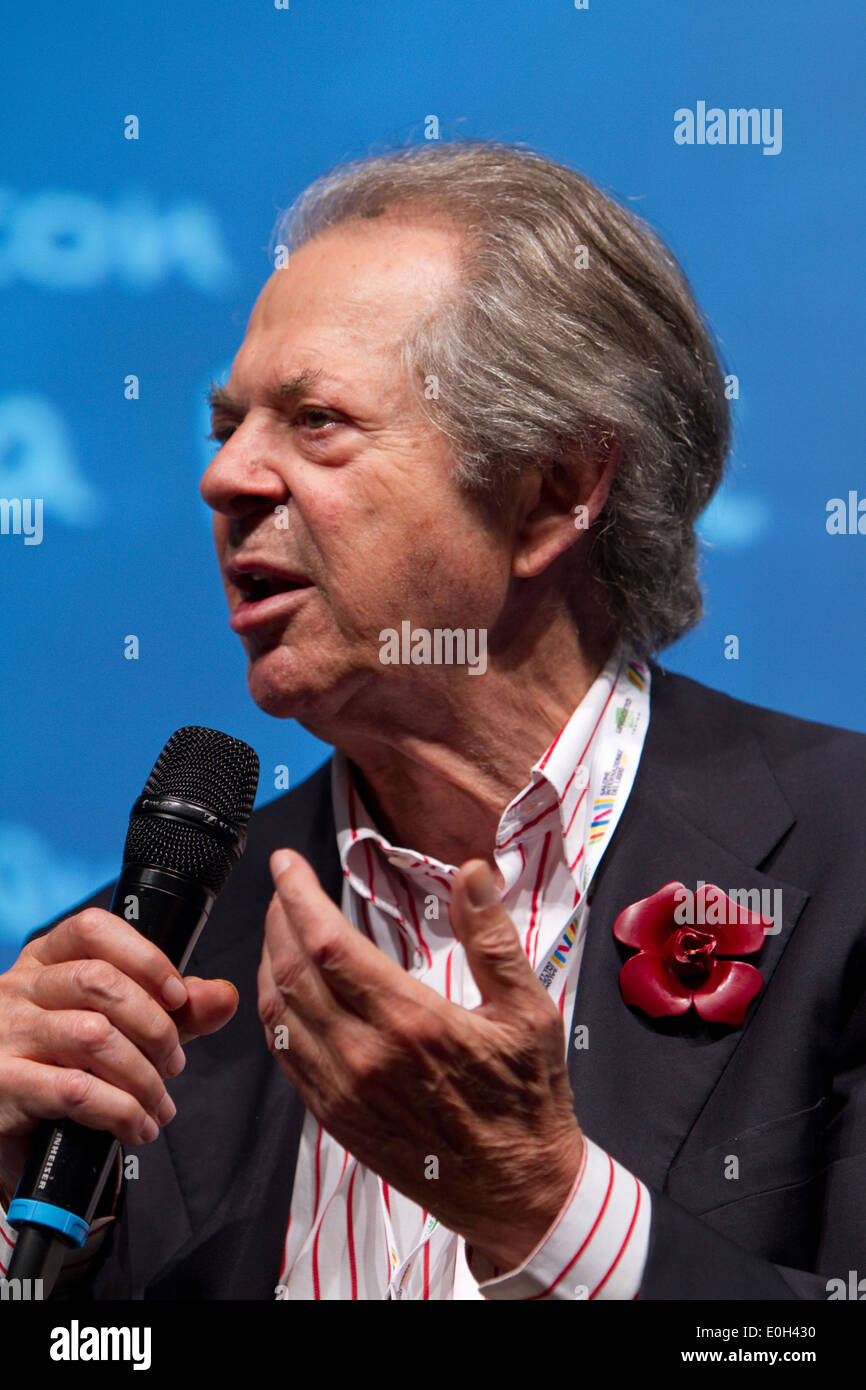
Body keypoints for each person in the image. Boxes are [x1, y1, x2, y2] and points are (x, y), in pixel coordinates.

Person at [1, 140, 864, 1300]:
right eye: (226, 425)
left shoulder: (840, 854)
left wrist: (548, 1215)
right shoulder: (149, 966)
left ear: (552, 490)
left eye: (315, 420)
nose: (227, 478)